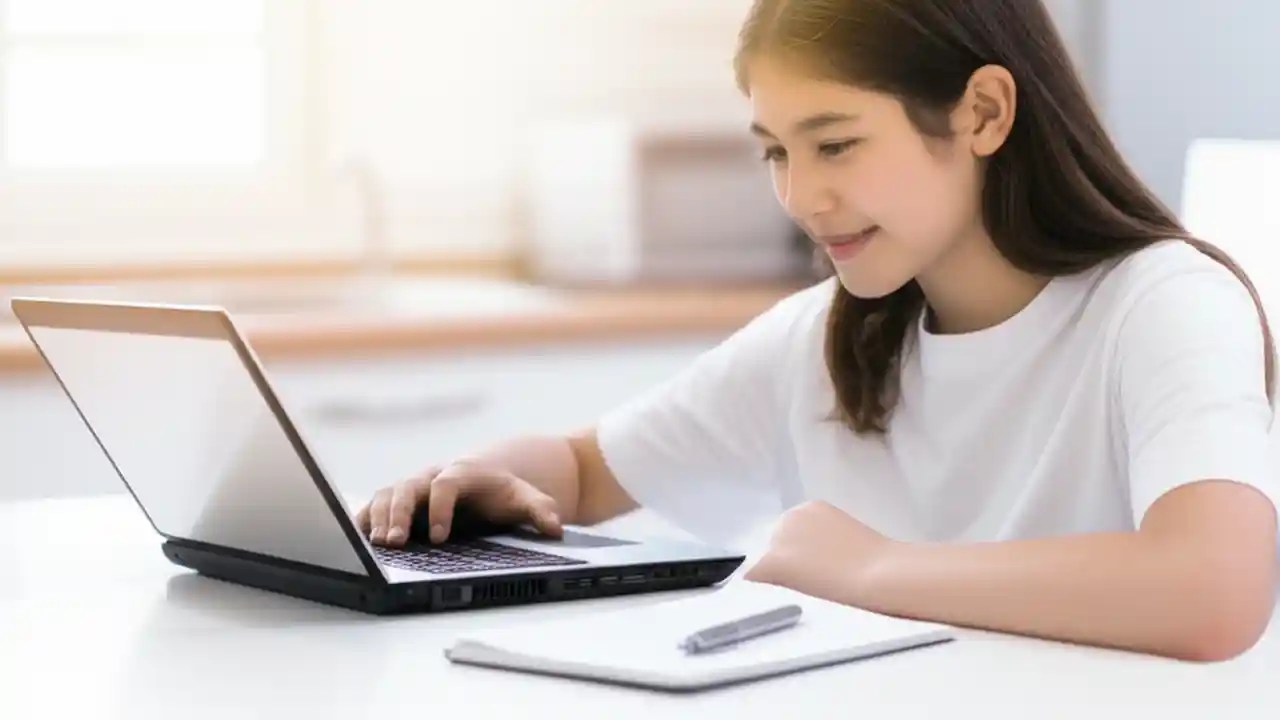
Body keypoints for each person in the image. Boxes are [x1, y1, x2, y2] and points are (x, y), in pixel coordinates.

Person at [357, 0, 1278, 661]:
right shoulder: (830, 337)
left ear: (984, 113)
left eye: (835, 144)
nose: (800, 196)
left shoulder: (1163, 304)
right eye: (775, 151)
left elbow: (1214, 589)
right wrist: (482, 479)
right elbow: (591, 467)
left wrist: (873, 567)